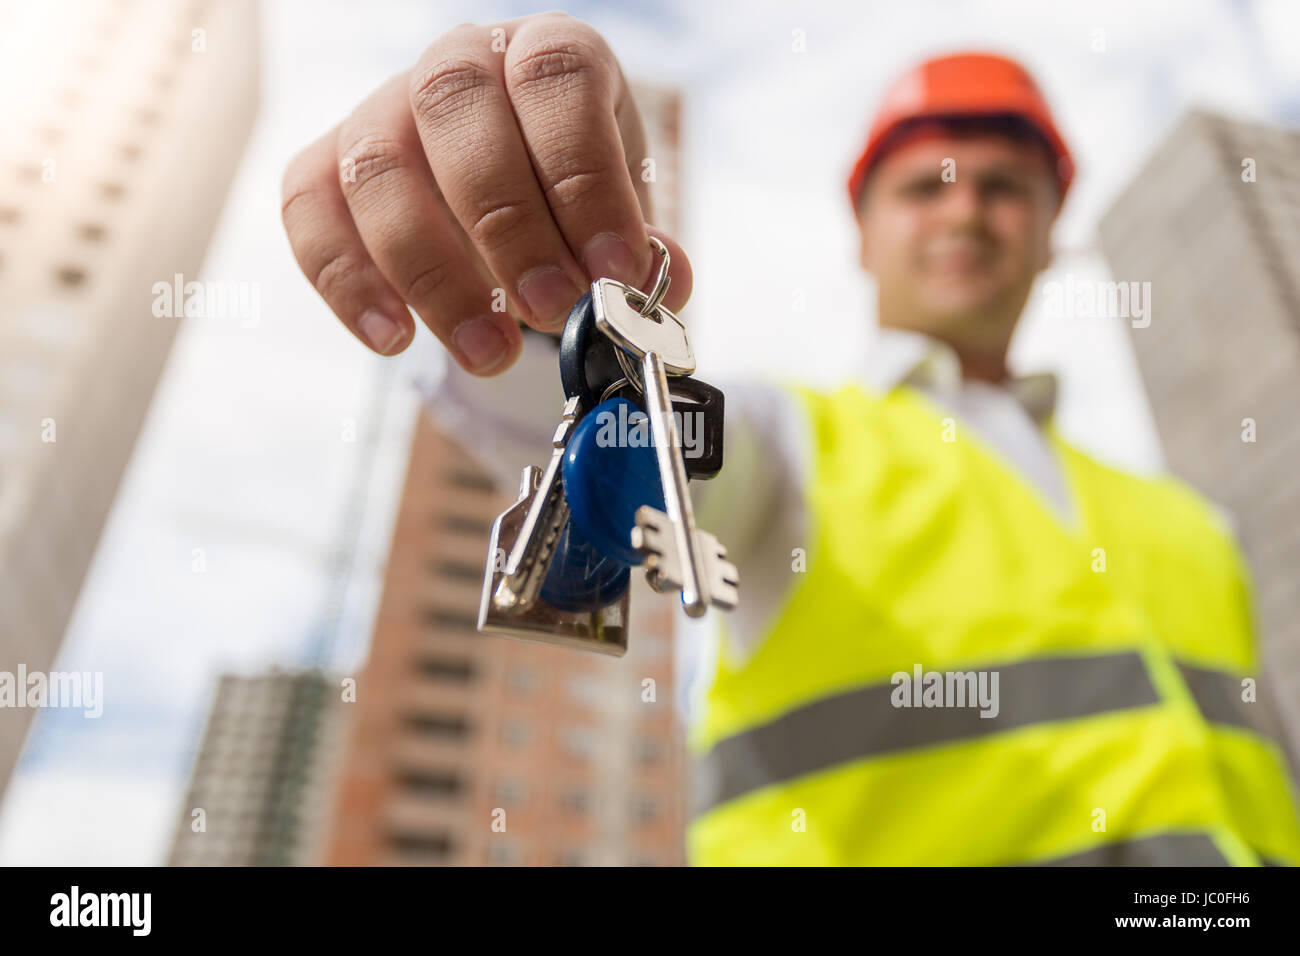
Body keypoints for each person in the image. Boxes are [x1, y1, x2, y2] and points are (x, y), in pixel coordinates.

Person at [281, 13, 1300, 865]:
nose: (968, 212)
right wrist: (523, 279)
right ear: (861, 232)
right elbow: (625, 439)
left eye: (1003, 187)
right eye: (926, 186)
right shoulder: (785, 441)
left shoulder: (1190, 521)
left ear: (1046, 231)